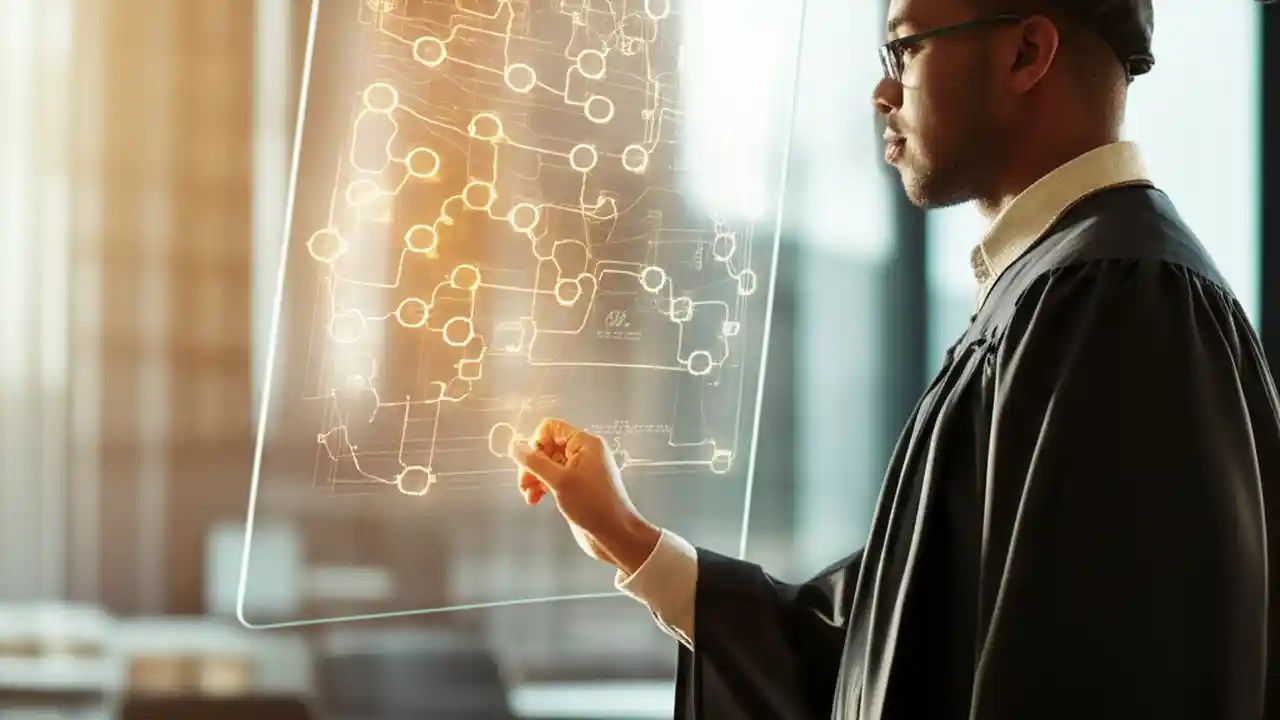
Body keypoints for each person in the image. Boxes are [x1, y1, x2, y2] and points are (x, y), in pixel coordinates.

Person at [509, 0, 1280, 717]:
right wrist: (623, 534)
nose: (883, 90)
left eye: (904, 48)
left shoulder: (1117, 301)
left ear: (1026, 52)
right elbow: (887, 647)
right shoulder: (1058, 289)